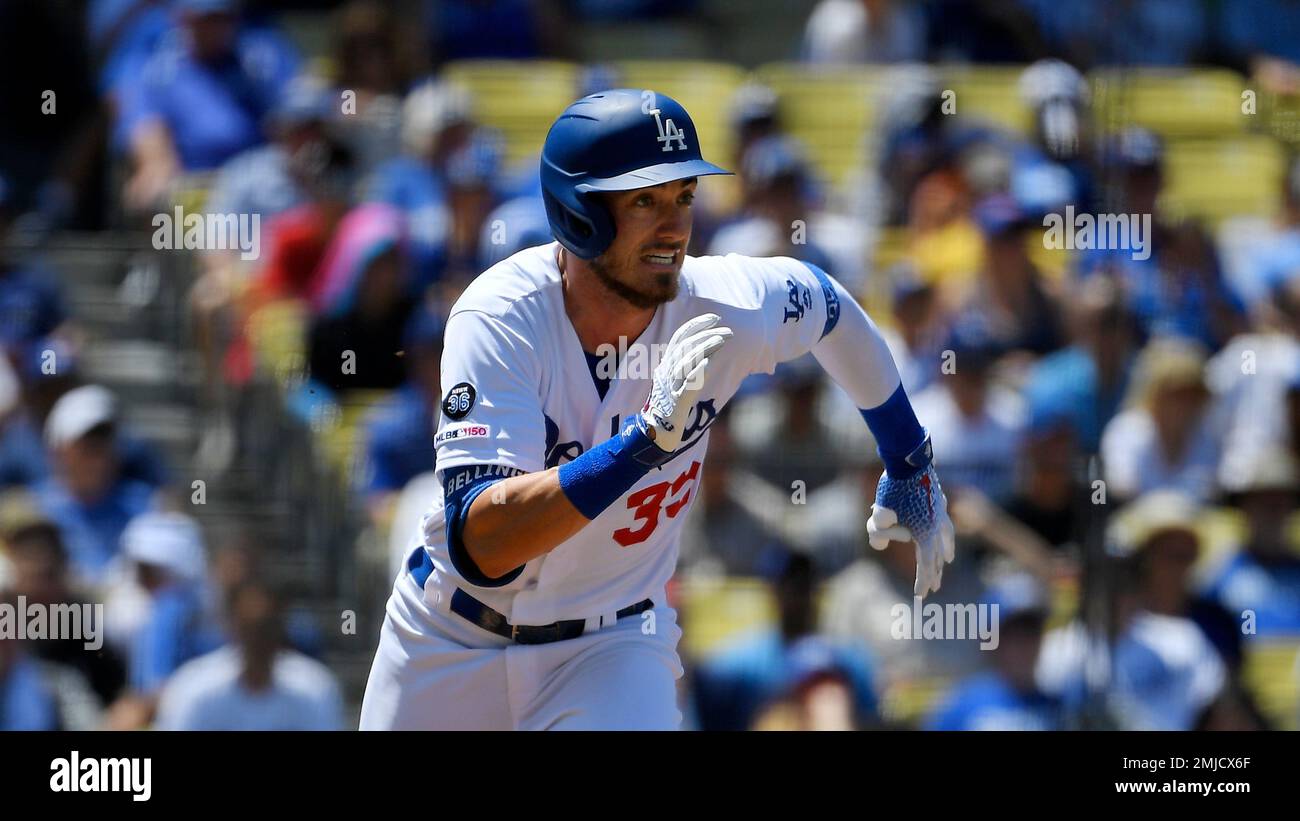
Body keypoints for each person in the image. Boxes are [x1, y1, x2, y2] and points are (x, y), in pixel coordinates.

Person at [359, 89, 957, 730]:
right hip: (452, 637)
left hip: (609, 648)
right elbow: (483, 542)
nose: (673, 226)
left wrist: (908, 458)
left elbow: (829, 308)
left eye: (684, 197)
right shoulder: (501, 316)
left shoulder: (723, 303)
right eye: (644, 200)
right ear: (579, 211)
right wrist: (641, 446)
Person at [155, 580, 343, 730]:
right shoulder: (194, 688)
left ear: (280, 627)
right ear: (232, 627)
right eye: (249, 629)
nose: (257, 639)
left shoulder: (314, 688)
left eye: (265, 628)